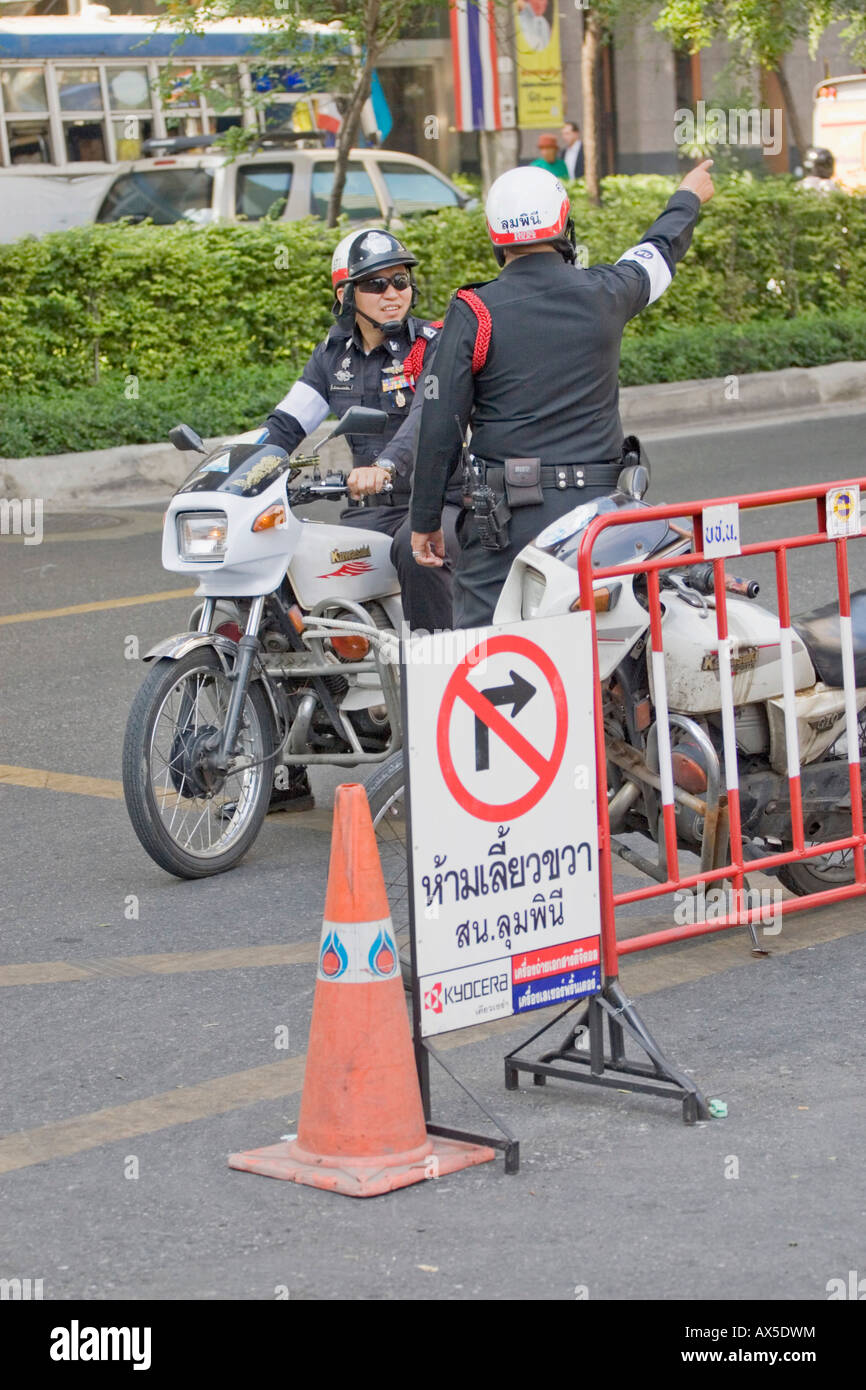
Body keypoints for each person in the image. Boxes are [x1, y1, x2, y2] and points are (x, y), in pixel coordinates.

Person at [410, 159, 715, 629]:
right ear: (563, 224)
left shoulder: (475, 311)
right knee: (609, 646)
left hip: (506, 526)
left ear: (496, 236)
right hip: (600, 521)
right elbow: (657, 252)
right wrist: (686, 197)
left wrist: (426, 519)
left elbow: (438, 428)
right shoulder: (606, 291)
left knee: (486, 657)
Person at [252, 226, 460, 812]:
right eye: (376, 284)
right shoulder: (333, 357)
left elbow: (427, 419)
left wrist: (388, 464)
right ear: (347, 295)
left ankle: (434, 707)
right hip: (372, 508)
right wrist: (240, 467)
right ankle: (286, 751)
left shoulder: (433, 343)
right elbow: (285, 426)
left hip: (440, 499)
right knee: (285, 566)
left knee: (413, 549)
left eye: (401, 280)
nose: (394, 292)